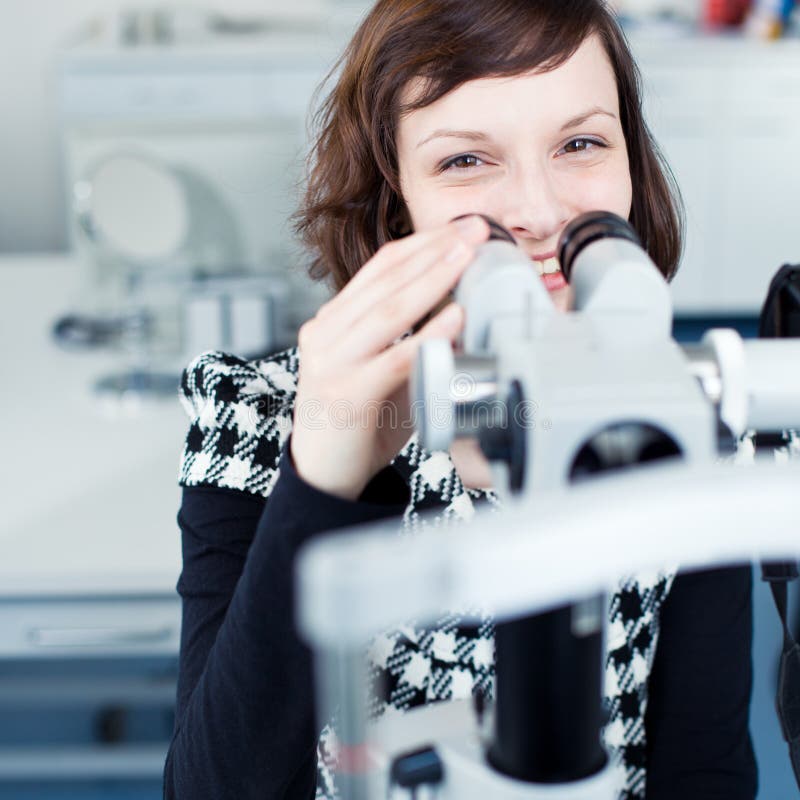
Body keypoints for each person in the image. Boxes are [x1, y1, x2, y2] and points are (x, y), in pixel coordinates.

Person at [163, 1, 757, 798]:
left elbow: (702, 773)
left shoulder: (691, 421)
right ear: (395, 197)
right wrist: (324, 482)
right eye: (466, 162)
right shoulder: (255, 415)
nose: (541, 214)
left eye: (580, 144)